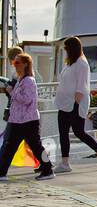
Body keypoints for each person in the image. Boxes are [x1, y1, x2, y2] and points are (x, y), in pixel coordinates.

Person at [53, 36, 97, 173]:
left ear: (72, 49)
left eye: (67, 48)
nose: (65, 51)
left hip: (74, 104)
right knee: (63, 133)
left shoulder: (82, 64)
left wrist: (74, 104)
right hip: (64, 103)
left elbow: (81, 87)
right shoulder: (70, 63)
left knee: (79, 132)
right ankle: (65, 162)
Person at [0, 52, 55, 181]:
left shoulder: (29, 81)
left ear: (25, 64)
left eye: (17, 63)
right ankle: (2, 172)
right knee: (11, 146)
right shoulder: (21, 79)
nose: (15, 65)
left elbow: (27, 99)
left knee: (34, 146)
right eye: (14, 62)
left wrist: (12, 92)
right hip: (18, 120)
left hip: (27, 120)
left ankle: (48, 169)